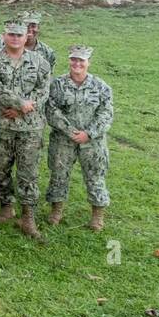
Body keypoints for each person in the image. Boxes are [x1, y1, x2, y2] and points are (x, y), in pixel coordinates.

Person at [0, 21, 51, 239]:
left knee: (28, 170)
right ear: (4, 36)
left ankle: (28, 216)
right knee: (1, 166)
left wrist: (22, 111)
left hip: (30, 125)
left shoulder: (40, 62)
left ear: (26, 37)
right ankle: (5, 204)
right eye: (11, 34)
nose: (15, 38)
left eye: (19, 35)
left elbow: (43, 90)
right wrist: (20, 103)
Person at [44, 46, 114, 231]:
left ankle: (97, 217)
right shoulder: (57, 85)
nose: (77, 63)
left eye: (81, 60)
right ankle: (56, 211)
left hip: (93, 143)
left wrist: (88, 134)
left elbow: (106, 114)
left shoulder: (101, 87)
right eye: (74, 59)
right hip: (63, 140)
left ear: (88, 62)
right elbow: (51, 110)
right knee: (58, 175)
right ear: (69, 60)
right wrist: (71, 132)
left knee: (95, 177)